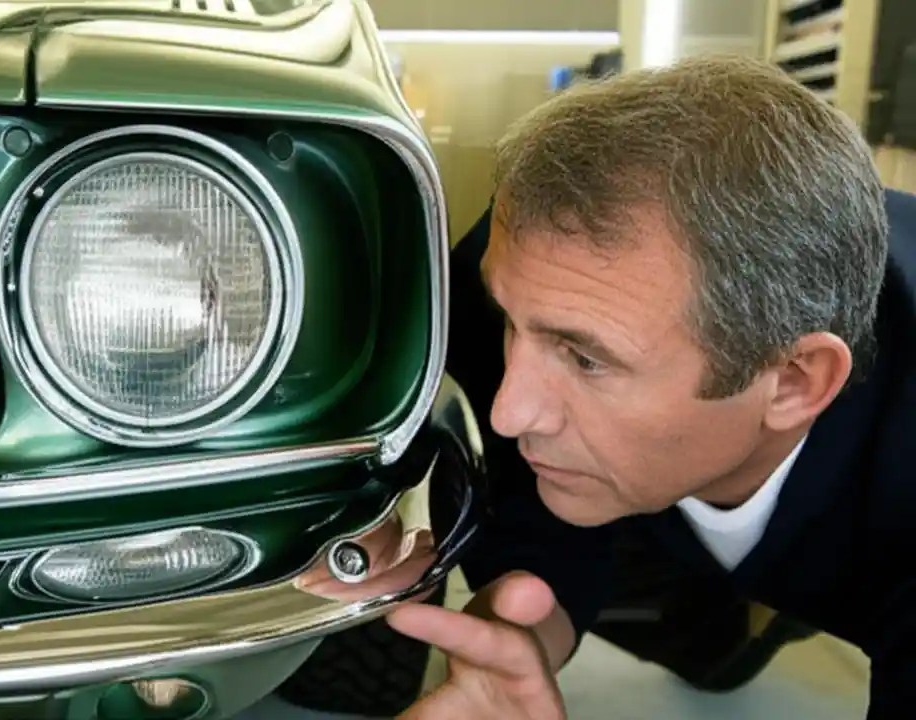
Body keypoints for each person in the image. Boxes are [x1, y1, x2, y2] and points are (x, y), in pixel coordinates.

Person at [386, 53, 916, 719]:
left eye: (586, 360)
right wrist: (523, 639)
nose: (506, 412)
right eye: (511, 326)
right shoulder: (541, 265)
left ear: (792, 382)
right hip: (678, 501)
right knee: (701, 640)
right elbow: (528, 505)